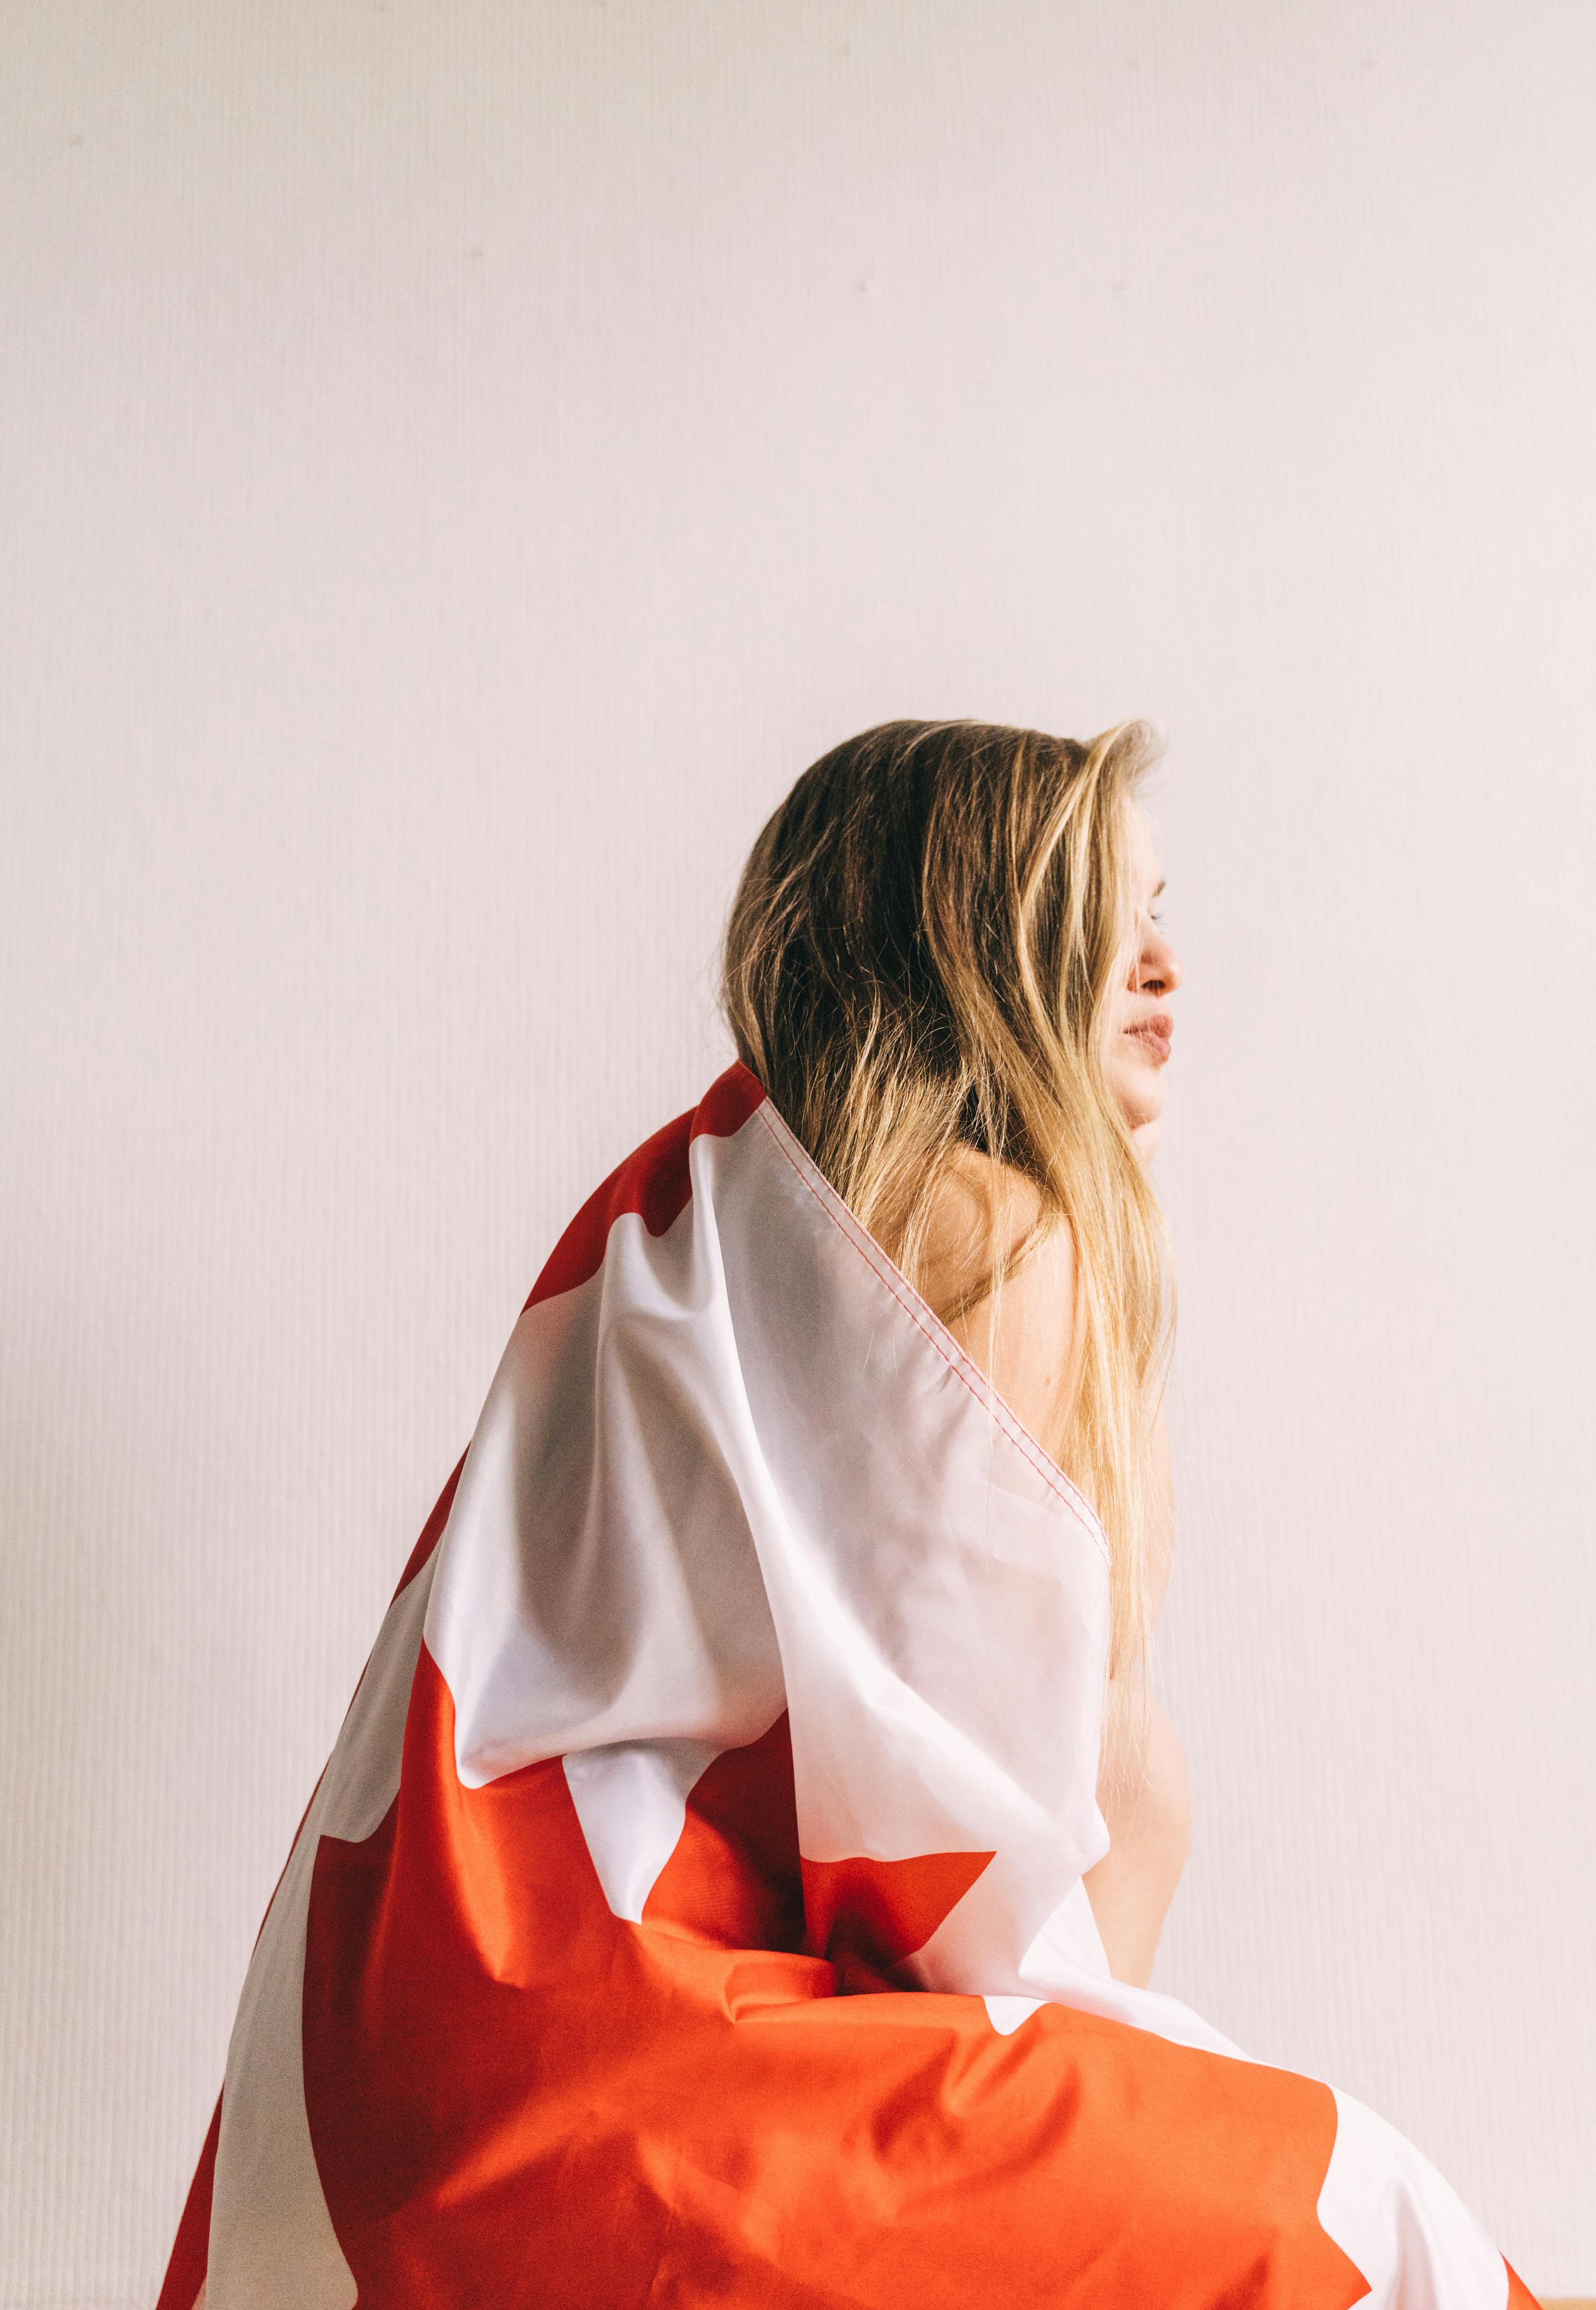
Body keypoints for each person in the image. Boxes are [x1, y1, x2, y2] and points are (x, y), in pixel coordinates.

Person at [159, 720, 1537, 2309]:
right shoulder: (989, 1231)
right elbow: (958, 1905)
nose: (1163, 966)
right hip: (629, 2085)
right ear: (967, 929)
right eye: (1100, 912)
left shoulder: (709, 1207)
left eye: (1167, 911)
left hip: (419, 2077)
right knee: (1363, 2220)